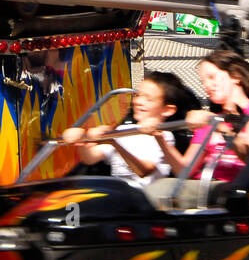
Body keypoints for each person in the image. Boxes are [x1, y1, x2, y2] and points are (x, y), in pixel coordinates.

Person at [145, 50, 249, 208]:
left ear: (236, 76)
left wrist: (216, 124)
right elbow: (185, 169)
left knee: (158, 190)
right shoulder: (209, 118)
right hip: (206, 186)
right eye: (203, 81)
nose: (206, 86)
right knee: (158, 190)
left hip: (237, 187)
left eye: (212, 77)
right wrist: (159, 137)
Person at [61, 72, 196, 187]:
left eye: (148, 99)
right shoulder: (123, 130)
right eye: (138, 95)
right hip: (120, 197)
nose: (138, 102)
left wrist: (114, 143)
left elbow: (144, 171)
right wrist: (81, 141)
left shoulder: (163, 136)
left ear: (167, 110)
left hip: (147, 201)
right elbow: (90, 158)